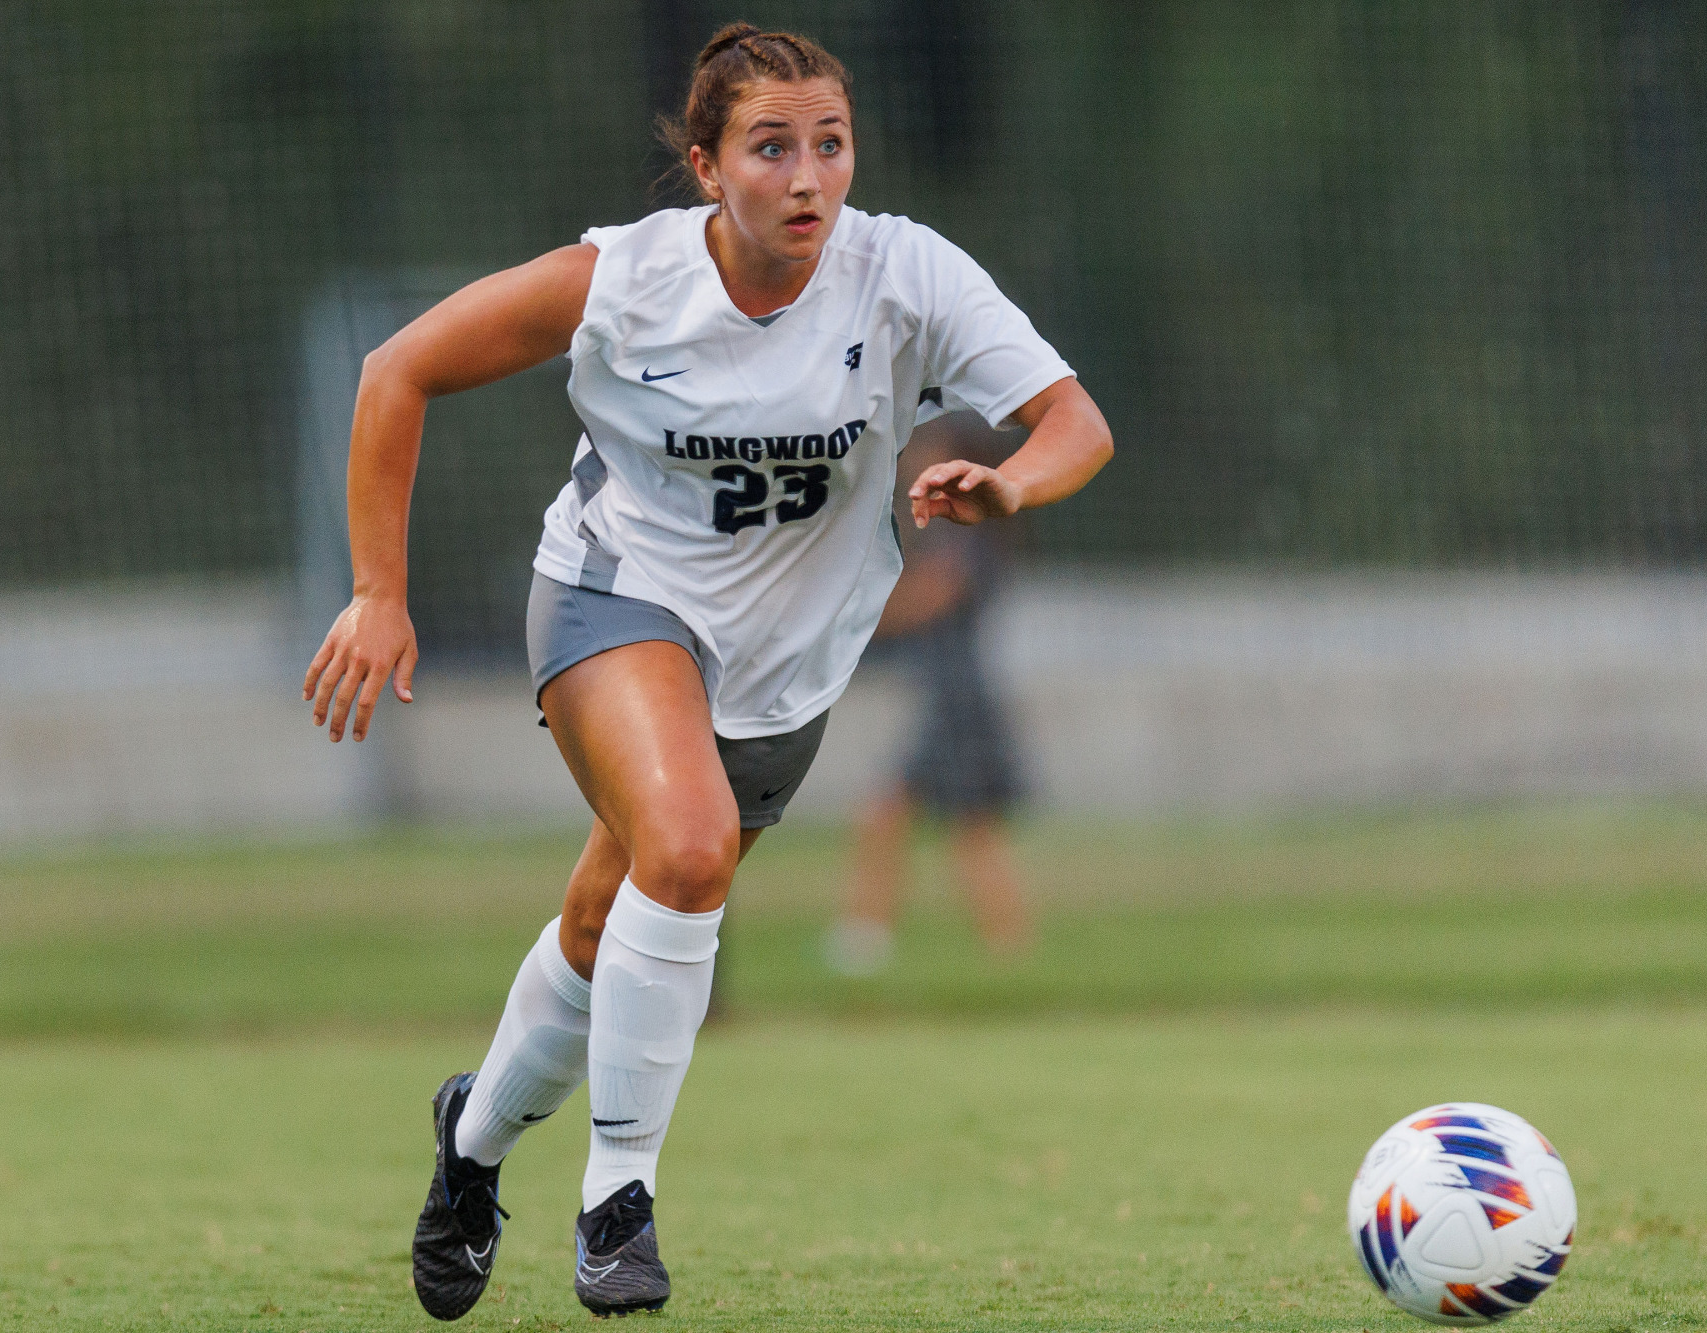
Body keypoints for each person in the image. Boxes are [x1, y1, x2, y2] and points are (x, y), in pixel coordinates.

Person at [301, 22, 1111, 1321]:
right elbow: (400, 371)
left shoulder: (905, 276)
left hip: (787, 678)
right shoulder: (624, 282)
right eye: (770, 147)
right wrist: (377, 592)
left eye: (829, 145)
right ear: (705, 166)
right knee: (687, 848)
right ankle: (617, 1206)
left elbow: (1075, 423)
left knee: (600, 923)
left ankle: (471, 1145)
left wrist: (1009, 481)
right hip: (612, 604)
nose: (806, 176)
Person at [827, 415, 1035, 976]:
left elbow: (934, 594)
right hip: (950, 693)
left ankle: (866, 941)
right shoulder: (944, 526)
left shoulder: (964, 527)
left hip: (957, 698)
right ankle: (1002, 944)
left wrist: (854, 624)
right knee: (949, 823)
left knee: (926, 818)